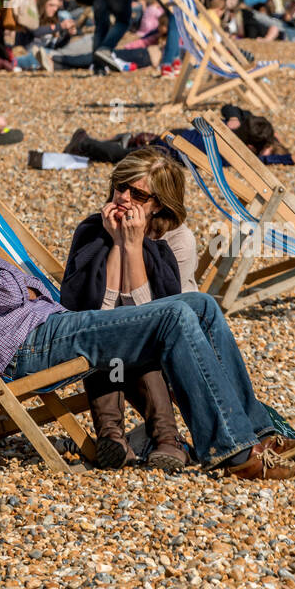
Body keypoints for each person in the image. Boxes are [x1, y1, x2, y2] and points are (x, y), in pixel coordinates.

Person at [0, 152, 295, 480]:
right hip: (29, 344)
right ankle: (234, 454)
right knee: (174, 316)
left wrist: (5, 277)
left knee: (203, 305)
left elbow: (5, 282)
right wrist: (13, 280)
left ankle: (259, 436)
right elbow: (1, 295)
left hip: (48, 325)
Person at [62, 149, 198, 471]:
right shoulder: (92, 232)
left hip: (164, 347)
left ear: (159, 203)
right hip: (104, 339)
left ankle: (143, 439)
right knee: (114, 339)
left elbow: (154, 317)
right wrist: (117, 244)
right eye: (119, 186)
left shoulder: (176, 241)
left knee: (132, 340)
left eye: (137, 193)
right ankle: (141, 439)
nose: (123, 197)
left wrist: (133, 246)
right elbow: (99, 310)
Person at [63, 102, 295, 168]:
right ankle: (86, 144)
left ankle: (90, 144)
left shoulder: (238, 134)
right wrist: (292, 157)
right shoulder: (236, 145)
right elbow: (261, 163)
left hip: (171, 142)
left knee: (129, 153)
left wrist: (294, 157)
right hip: (170, 147)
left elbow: (233, 109)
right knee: (126, 154)